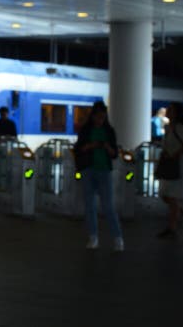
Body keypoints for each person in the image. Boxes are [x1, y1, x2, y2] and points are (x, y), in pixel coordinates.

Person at [75, 101, 124, 252]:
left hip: (104, 170)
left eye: (102, 117)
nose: (100, 120)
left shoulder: (109, 131)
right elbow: (79, 148)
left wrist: (106, 146)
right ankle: (93, 237)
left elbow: (114, 154)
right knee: (89, 205)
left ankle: (118, 238)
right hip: (88, 169)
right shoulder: (86, 130)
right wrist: (91, 145)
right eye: (98, 116)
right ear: (93, 116)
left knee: (108, 206)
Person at [157, 102, 183, 238]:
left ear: (176, 113)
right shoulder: (170, 127)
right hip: (171, 165)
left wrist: (175, 154)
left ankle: (172, 228)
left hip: (177, 166)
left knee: (171, 196)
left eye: (170, 109)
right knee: (167, 196)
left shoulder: (179, 128)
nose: (168, 111)